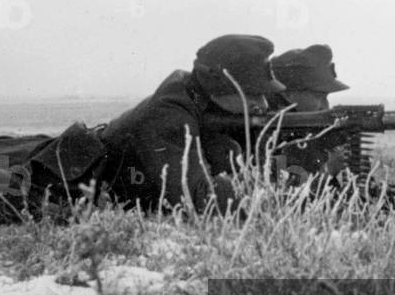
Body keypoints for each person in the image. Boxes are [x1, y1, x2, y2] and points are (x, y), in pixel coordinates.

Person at [96, 34, 285, 214]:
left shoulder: (202, 100)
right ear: (218, 86)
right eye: (253, 94)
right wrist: (277, 188)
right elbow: (199, 200)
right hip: (85, 203)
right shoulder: (168, 114)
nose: (263, 104)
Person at [268, 44, 353, 182]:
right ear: (288, 94)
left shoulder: (310, 131)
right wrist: (329, 170)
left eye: (326, 97)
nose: (325, 106)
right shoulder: (271, 134)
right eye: (318, 96)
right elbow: (283, 186)